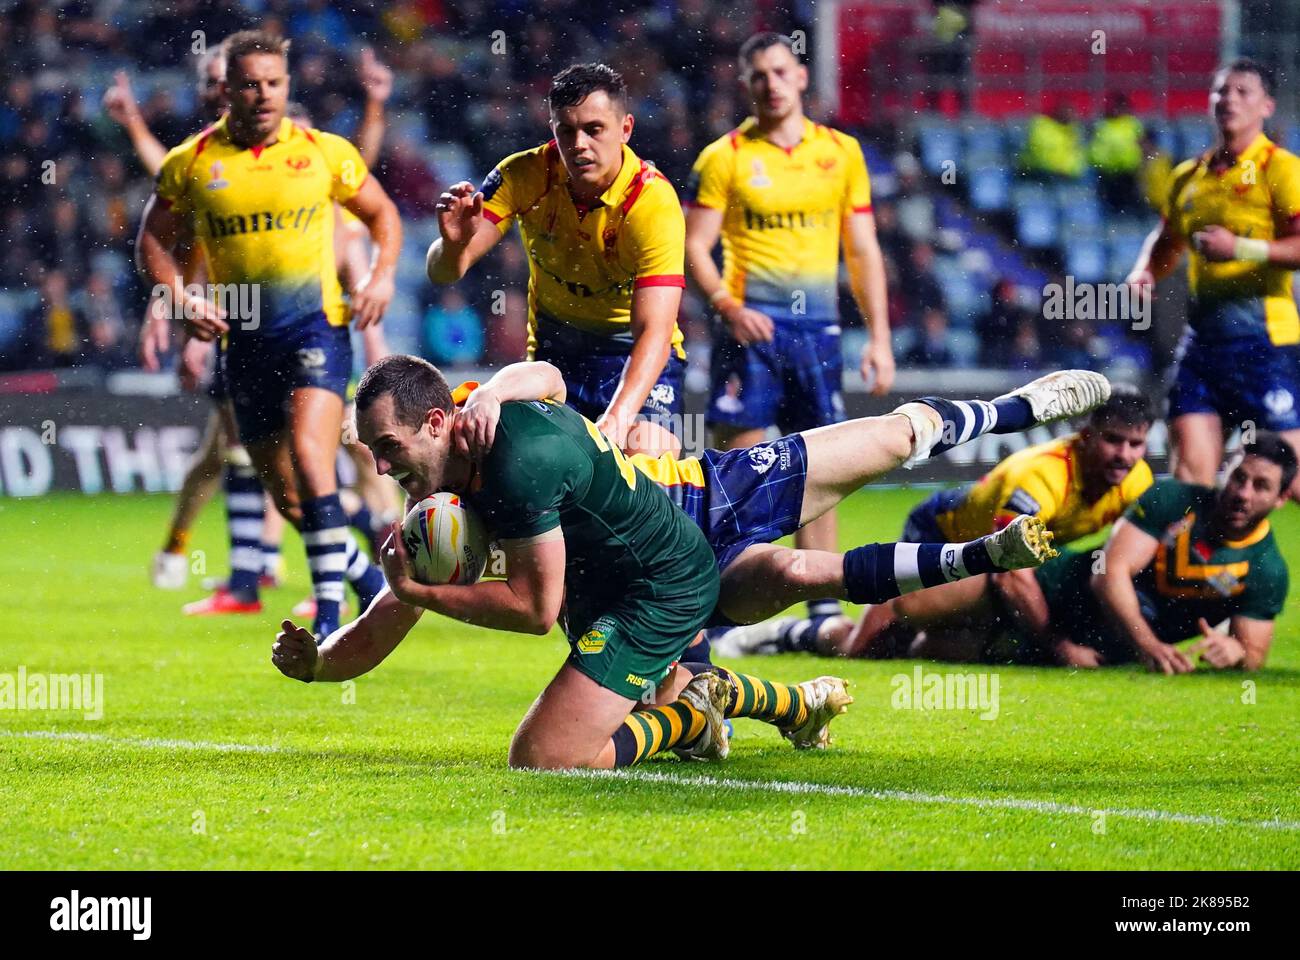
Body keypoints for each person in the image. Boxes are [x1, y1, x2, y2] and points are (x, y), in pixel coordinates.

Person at [274, 355, 857, 769]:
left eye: (387, 447)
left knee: (549, 756)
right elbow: (386, 614)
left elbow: (532, 609)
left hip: (653, 579)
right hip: (600, 588)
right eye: (372, 451)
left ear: (435, 424)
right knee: (662, 694)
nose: (378, 468)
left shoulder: (503, 448)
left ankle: (698, 720)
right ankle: (794, 703)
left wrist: (493, 392)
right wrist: (319, 664)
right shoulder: (433, 498)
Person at [447, 362, 1112, 631]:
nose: (392, 468)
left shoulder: (477, 423)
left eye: (390, 449)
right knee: (798, 573)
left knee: (892, 437)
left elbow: (547, 377)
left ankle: (1013, 409)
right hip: (646, 587)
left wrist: (489, 392)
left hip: (716, 496)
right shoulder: (445, 513)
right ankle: (973, 557)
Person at [135, 30, 401, 639]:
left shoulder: (321, 152)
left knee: (314, 460)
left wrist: (382, 278)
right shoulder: (195, 162)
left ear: (288, 86)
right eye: (250, 84)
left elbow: (382, 213)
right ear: (226, 88)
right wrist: (178, 299)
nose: (263, 95)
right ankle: (366, 578)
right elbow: (152, 238)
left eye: (274, 83)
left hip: (316, 329)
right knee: (284, 494)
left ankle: (331, 623)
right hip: (244, 339)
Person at [684, 31, 895, 628]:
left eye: (780, 72)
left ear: (801, 77)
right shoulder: (722, 157)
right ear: (746, 85)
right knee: (738, 470)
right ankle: (713, 605)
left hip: (819, 333)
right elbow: (693, 246)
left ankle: (823, 605)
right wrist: (726, 305)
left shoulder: (841, 154)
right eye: (758, 76)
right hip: (749, 331)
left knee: (822, 463)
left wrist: (878, 336)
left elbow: (862, 250)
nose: (771, 84)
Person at [715, 384, 1154, 658]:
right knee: (867, 649)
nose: (1125, 455)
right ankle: (791, 634)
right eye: (1113, 440)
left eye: (1136, 444)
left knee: (944, 648)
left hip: (992, 562)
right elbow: (1010, 573)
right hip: (943, 534)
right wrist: (1059, 647)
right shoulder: (1039, 476)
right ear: (1086, 433)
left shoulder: (1138, 480)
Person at [426, 62, 686, 457]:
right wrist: (454, 245)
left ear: (626, 129)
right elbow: (443, 273)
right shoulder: (522, 175)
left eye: (594, 129)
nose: (579, 143)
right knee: (525, 470)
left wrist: (617, 418)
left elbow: (655, 329)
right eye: (567, 130)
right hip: (555, 353)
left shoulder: (652, 202)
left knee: (646, 457)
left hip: (631, 351)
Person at [886, 436, 1292, 672]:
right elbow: (1108, 574)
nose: (1242, 492)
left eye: (1260, 486)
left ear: (1280, 499)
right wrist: (1149, 647)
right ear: (1226, 471)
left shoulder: (1268, 569)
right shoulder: (1174, 499)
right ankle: (830, 628)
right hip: (1053, 589)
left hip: (1095, 647)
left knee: (923, 650)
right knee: (905, 606)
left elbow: (1253, 652)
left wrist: (1236, 652)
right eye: (1238, 477)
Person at [1127, 59, 1300, 501]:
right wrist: (1145, 269)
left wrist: (1240, 249)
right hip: (1202, 346)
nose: (1229, 99)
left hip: (1265, 343)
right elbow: (1167, 240)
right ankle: (1196, 570)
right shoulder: (1188, 176)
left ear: (1266, 106)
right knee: (1191, 482)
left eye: (1243, 91)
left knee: (1293, 477)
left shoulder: (1280, 169)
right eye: (1221, 90)